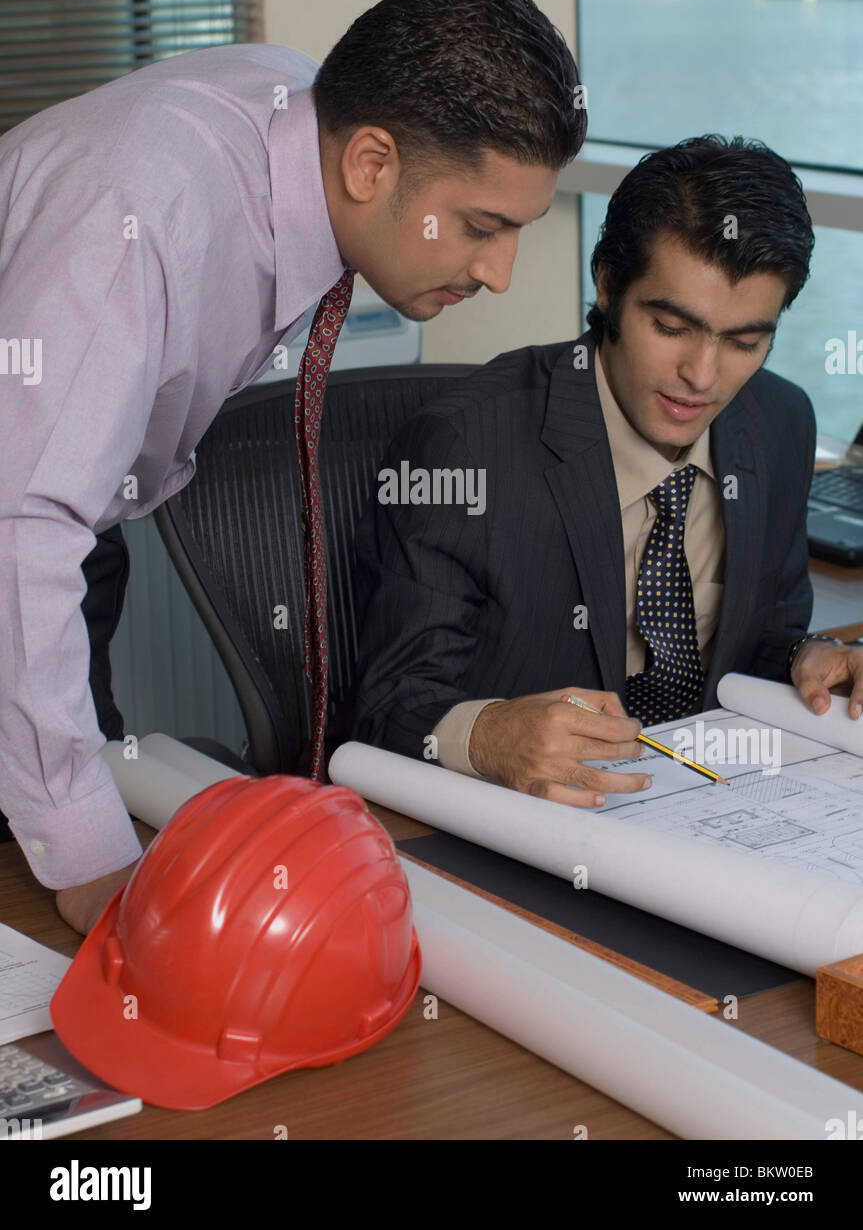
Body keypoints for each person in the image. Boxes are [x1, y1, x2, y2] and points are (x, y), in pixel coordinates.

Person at [0, 0, 586, 933]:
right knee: (64, 899)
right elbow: (19, 525)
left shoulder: (299, 114)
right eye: (482, 228)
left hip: (53, 534)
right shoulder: (138, 212)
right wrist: (89, 859)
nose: (497, 270)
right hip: (21, 541)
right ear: (370, 165)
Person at [346, 135, 863, 803]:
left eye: (743, 341)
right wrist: (487, 736)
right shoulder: (465, 446)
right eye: (671, 327)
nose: (701, 378)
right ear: (609, 285)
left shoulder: (778, 423)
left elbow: (759, 639)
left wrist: (807, 661)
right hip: (525, 826)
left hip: (710, 812)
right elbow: (387, 704)